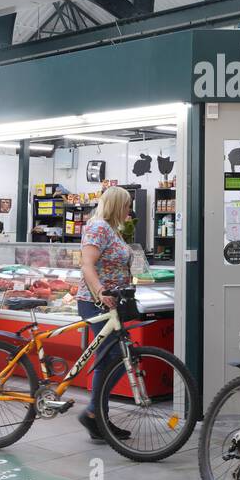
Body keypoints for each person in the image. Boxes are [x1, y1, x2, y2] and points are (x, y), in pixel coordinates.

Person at [78, 185, 135, 444]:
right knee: (111, 355)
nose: (129, 210)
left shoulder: (113, 230)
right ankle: (95, 413)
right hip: (96, 301)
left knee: (117, 356)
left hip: (113, 303)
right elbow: (87, 263)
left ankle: (97, 413)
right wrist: (100, 290)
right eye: (127, 205)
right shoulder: (98, 227)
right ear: (116, 205)